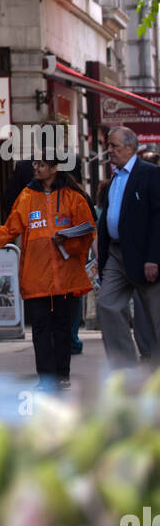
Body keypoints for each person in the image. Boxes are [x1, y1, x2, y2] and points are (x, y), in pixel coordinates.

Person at [0, 154, 95, 391]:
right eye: (35, 164)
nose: (36, 168)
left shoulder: (74, 198)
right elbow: (9, 230)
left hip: (66, 277)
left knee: (62, 329)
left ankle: (62, 373)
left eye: (41, 165)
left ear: (55, 168)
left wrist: (67, 242)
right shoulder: (26, 197)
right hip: (36, 277)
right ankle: (46, 379)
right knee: (40, 330)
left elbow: (87, 234)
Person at [96, 126, 160, 368]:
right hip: (116, 253)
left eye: (114, 146)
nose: (109, 150)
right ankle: (125, 370)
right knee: (107, 304)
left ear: (131, 148)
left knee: (156, 317)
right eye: (109, 146)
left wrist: (154, 257)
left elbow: (158, 217)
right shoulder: (115, 177)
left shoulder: (150, 174)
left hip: (145, 256)